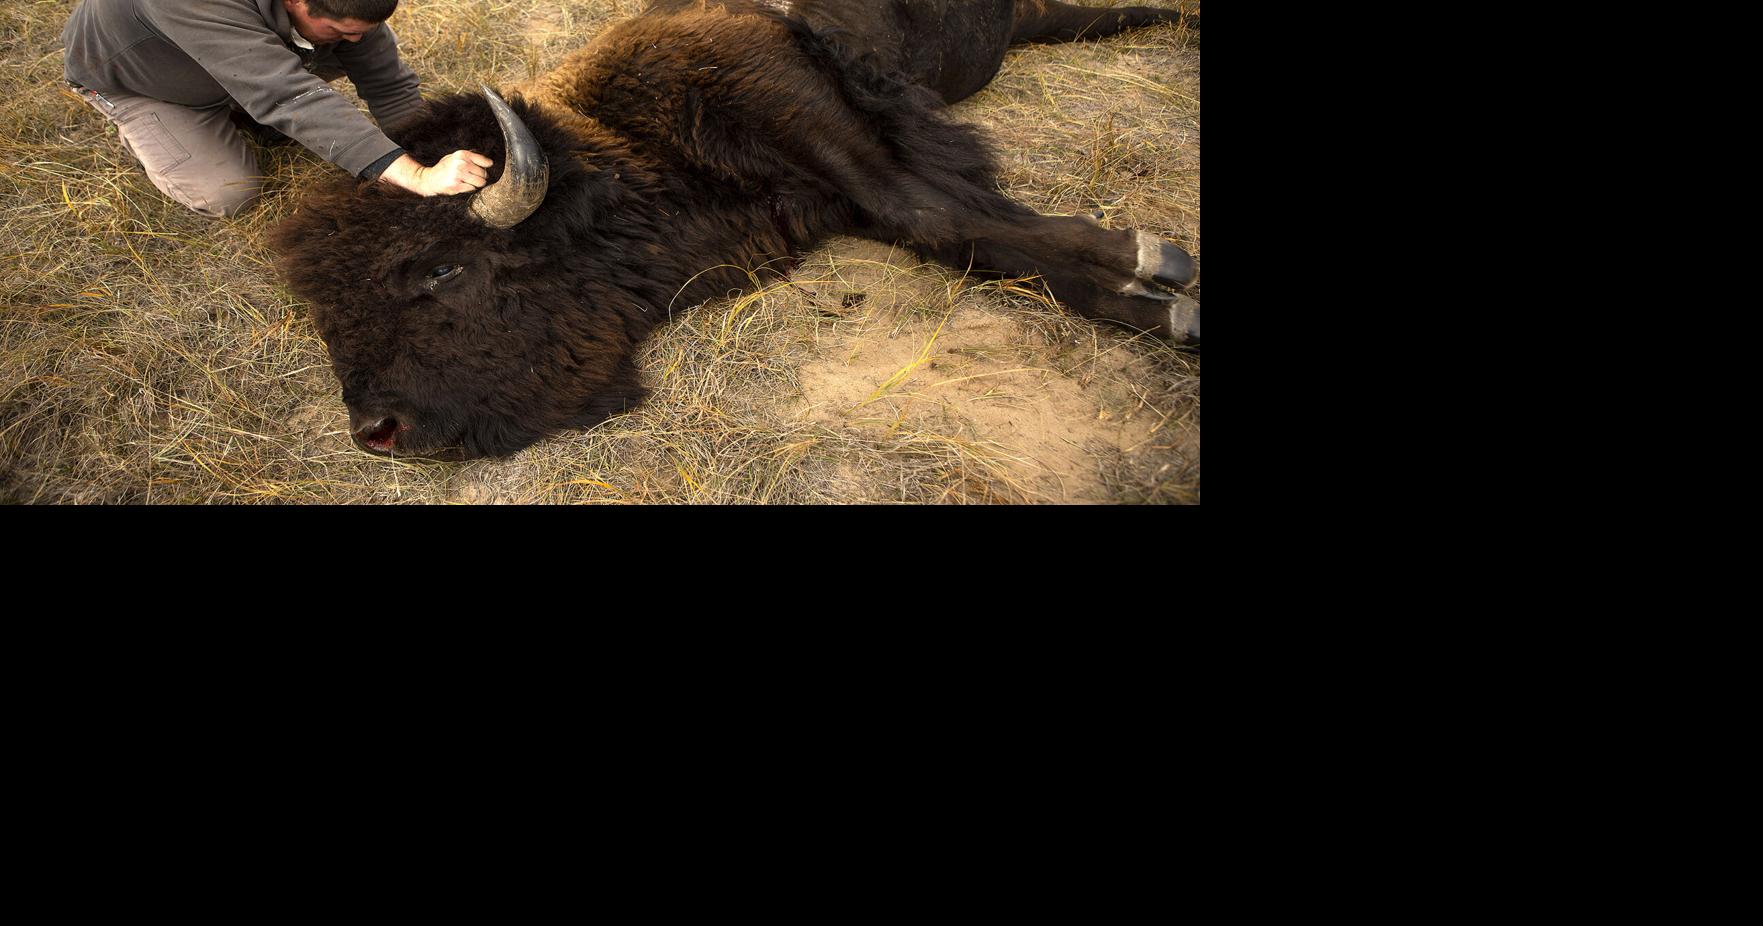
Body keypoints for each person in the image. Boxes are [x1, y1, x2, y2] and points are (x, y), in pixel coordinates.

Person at [62, 0, 490, 218]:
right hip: (148, 82)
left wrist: (426, 152)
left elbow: (388, 84)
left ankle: (246, 100)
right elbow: (285, 95)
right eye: (342, 31)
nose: (355, 39)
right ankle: (151, 125)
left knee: (341, 51)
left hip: (249, 54)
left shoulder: (338, 11)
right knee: (228, 193)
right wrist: (411, 175)